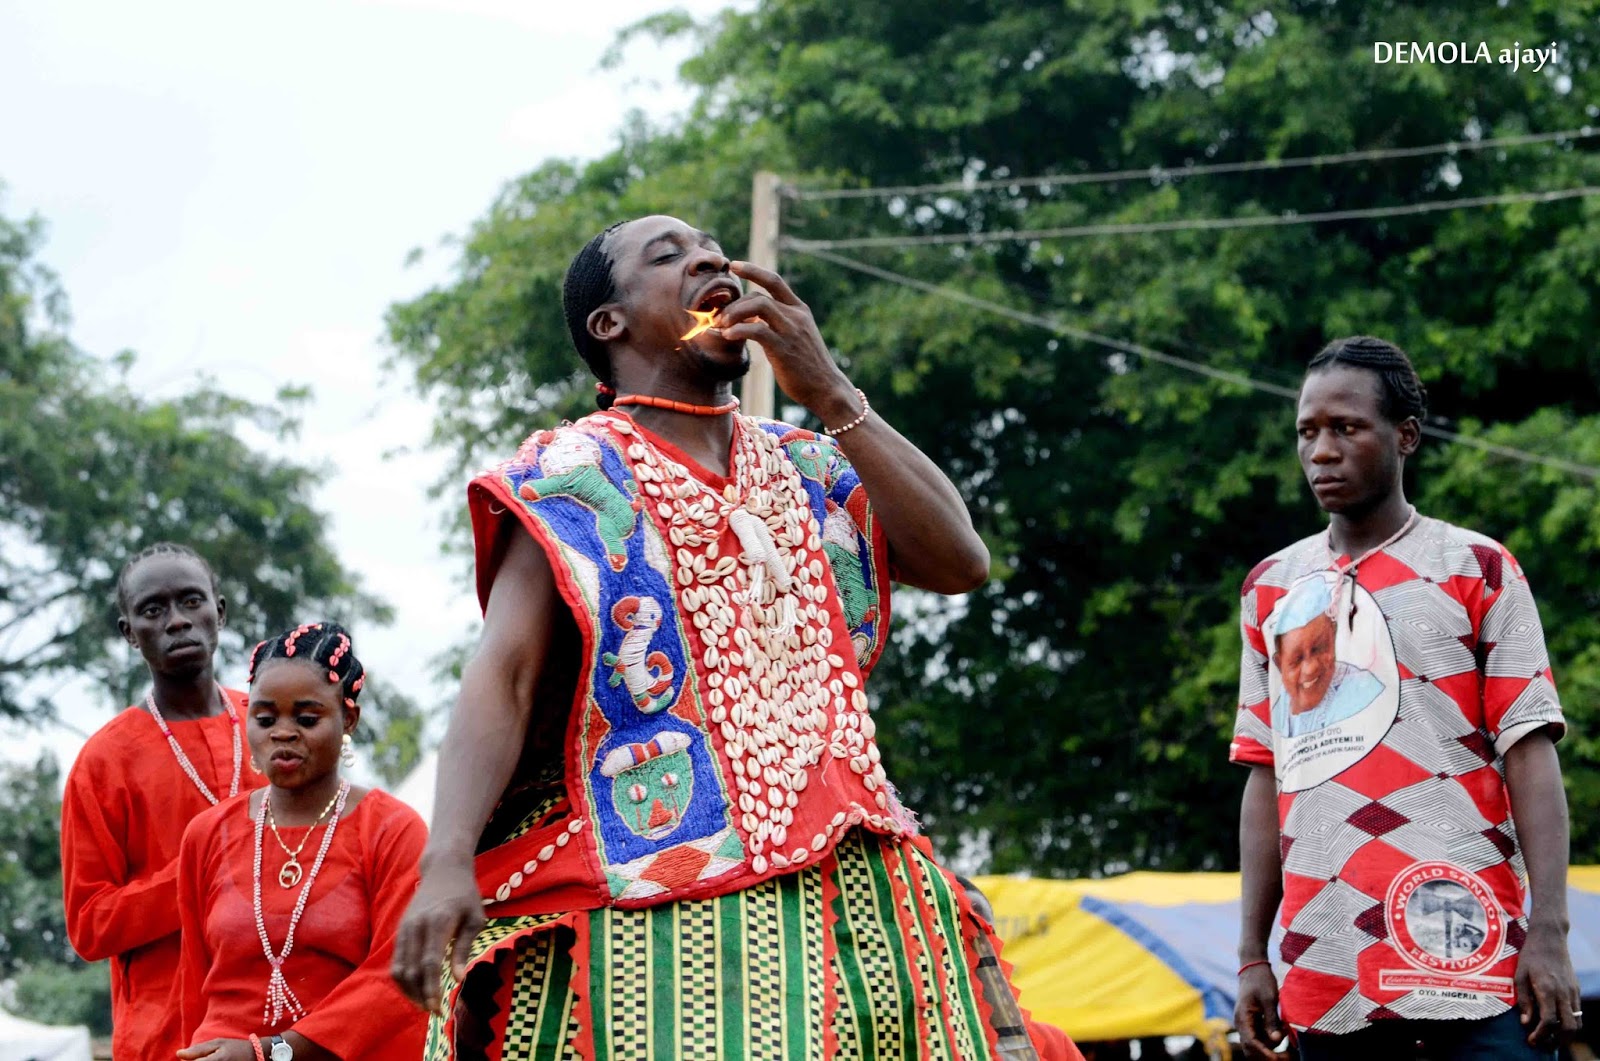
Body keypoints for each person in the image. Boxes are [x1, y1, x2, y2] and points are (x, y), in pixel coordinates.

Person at [392, 215, 1066, 1060]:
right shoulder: (566, 474)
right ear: (612, 324)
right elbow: (507, 672)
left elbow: (961, 559)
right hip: (670, 898)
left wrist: (831, 392)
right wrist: (446, 854)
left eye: (710, 247)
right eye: (667, 255)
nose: (709, 258)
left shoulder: (812, 461)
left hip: (867, 888)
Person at [1230, 336, 1582, 1059]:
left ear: (1406, 436)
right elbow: (1265, 773)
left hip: (1474, 956)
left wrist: (1548, 930)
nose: (1321, 450)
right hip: (1327, 966)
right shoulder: (1271, 588)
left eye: (1346, 427)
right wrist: (1251, 952)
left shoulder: (1477, 567)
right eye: (1307, 431)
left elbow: (1530, 751)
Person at [176, 621, 429, 1061]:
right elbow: (194, 986)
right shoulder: (207, 834)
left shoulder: (392, 830)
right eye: (265, 718)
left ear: (348, 718)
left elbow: (396, 978)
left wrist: (271, 1054)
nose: (283, 732)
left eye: (307, 718)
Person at [61, 542, 268, 1061]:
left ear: (219, 611)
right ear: (130, 632)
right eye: (153, 610)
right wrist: (199, 876)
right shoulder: (105, 760)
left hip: (281, 1028)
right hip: (167, 1038)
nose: (177, 621)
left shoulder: (272, 725)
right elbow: (89, 924)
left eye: (191, 601)